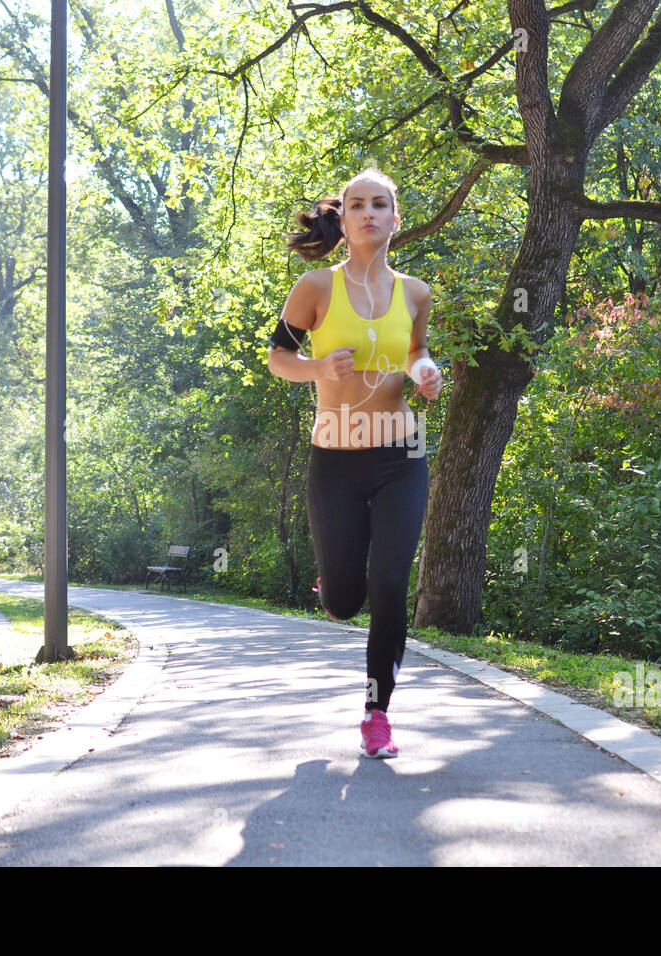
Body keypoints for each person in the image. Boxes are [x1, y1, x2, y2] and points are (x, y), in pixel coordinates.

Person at [266, 167, 444, 759]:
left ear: (396, 218)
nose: (368, 213)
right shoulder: (315, 287)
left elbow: (415, 351)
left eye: (380, 204)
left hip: (401, 455)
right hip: (336, 457)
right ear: (341, 218)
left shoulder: (416, 293)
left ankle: (377, 714)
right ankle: (333, 585)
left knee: (390, 584)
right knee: (346, 599)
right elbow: (276, 358)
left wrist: (425, 373)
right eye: (357, 204)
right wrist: (318, 368)